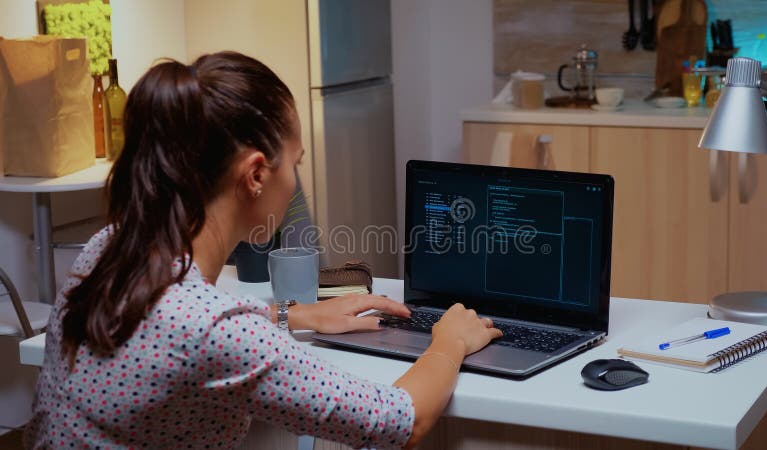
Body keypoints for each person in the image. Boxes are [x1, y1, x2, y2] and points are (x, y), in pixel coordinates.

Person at [27, 52, 502, 450]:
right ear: (255, 174)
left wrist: (297, 315)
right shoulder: (216, 331)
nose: (296, 181)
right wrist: (450, 341)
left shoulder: (107, 248)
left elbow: (182, 331)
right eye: (295, 163)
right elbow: (403, 420)